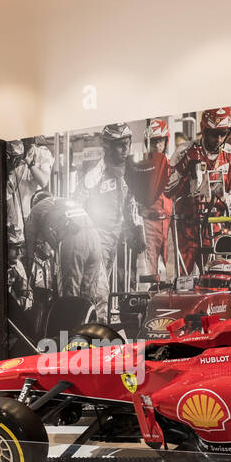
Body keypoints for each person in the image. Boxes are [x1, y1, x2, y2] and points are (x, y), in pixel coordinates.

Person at [165, 108, 231, 275]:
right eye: (213, 134)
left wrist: (222, 199)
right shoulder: (183, 151)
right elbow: (166, 189)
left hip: (216, 227)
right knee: (176, 283)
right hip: (183, 228)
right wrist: (183, 167)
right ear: (204, 130)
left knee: (216, 279)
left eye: (222, 134)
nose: (218, 139)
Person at [78, 122, 146, 318]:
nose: (125, 149)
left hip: (118, 238)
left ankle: (107, 326)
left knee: (115, 287)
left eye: (127, 143)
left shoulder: (130, 170)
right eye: (119, 145)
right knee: (100, 291)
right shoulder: (95, 172)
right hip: (95, 238)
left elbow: (131, 203)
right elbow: (77, 201)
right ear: (107, 146)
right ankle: (99, 332)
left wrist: (136, 229)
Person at [26, 189, 103, 308]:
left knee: (70, 294)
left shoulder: (34, 212)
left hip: (73, 239)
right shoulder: (63, 202)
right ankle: (88, 324)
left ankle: (70, 326)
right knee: (88, 295)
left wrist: (27, 283)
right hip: (95, 238)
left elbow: (29, 254)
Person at [140, 118, 174, 281]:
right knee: (150, 271)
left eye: (160, 141)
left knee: (173, 271)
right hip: (149, 224)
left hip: (170, 223)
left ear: (166, 142)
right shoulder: (141, 166)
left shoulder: (173, 164)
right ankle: (150, 300)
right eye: (153, 142)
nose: (157, 146)